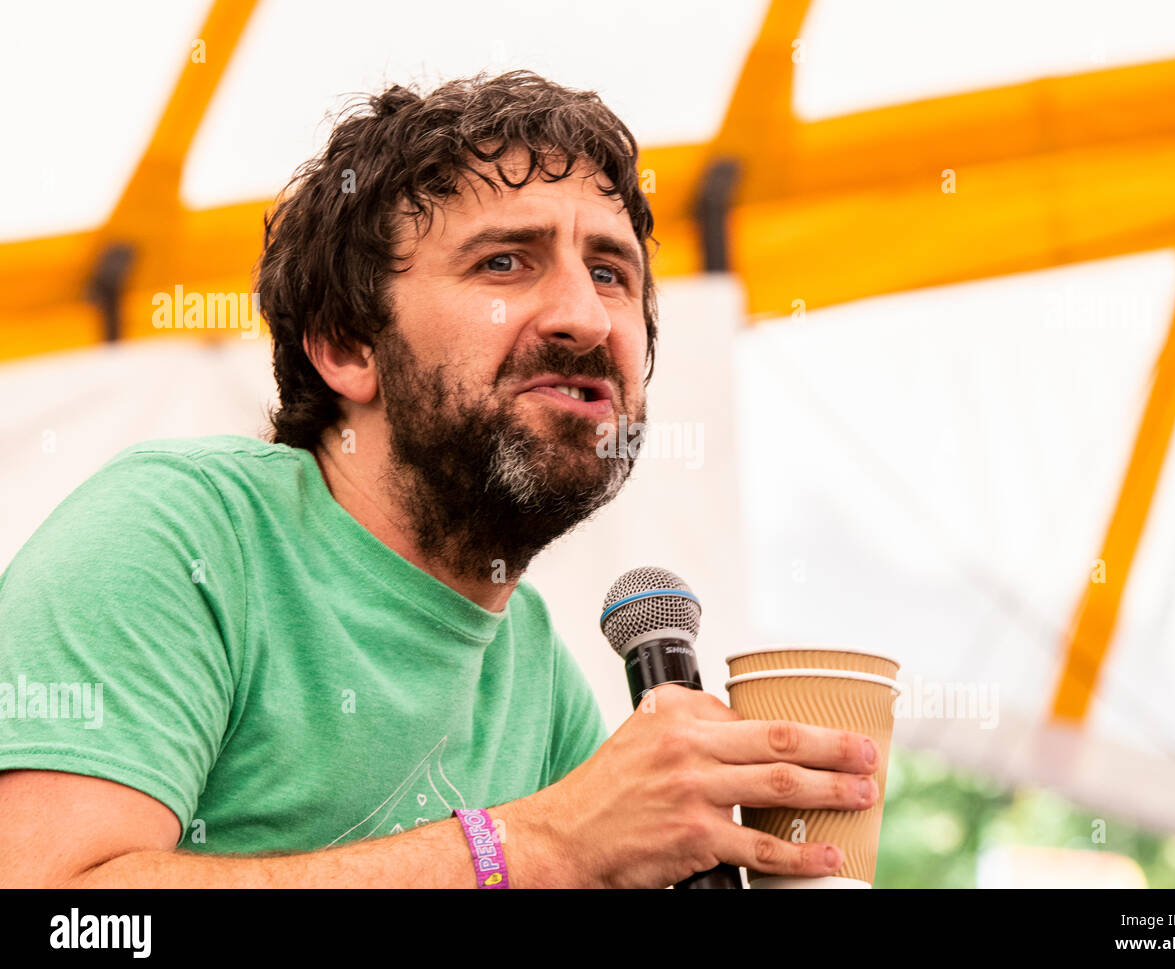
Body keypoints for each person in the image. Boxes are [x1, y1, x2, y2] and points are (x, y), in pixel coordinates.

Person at [0, 70, 879, 888]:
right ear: (348, 346)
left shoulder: (535, 672)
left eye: (610, 273)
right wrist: (541, 842)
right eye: (505, 262)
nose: (582, 316)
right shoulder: (184, 531)